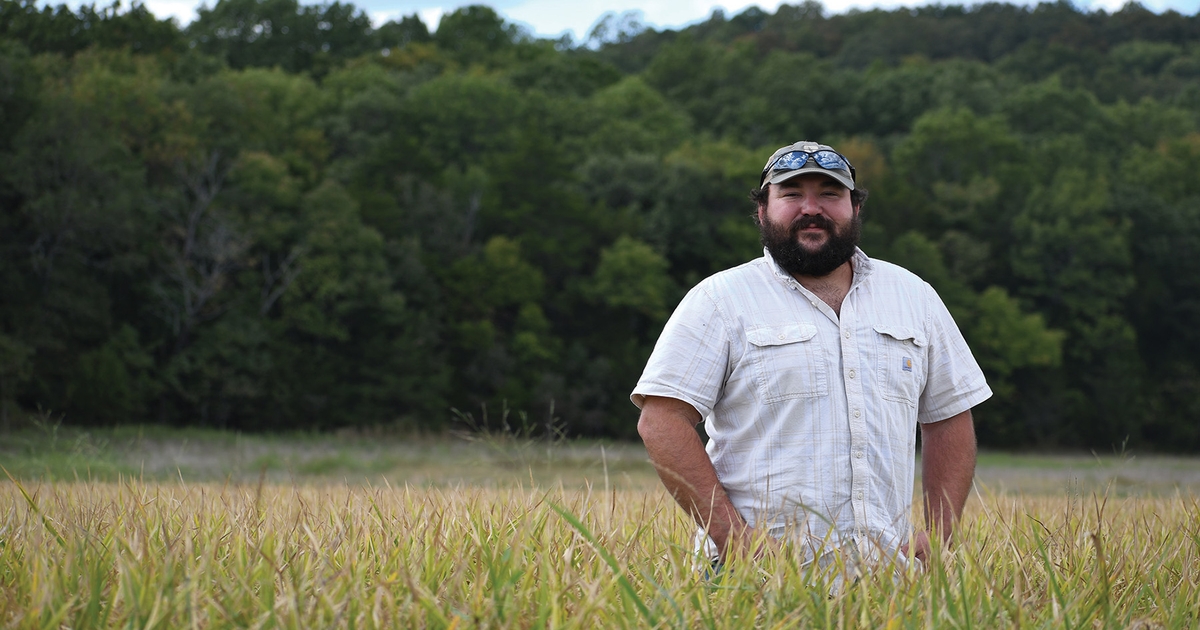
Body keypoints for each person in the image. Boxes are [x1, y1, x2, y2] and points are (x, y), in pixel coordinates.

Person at [631, 140, 991, 575]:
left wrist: (940, 532)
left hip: (887, 582)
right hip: (753, 579)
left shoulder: (914, 297)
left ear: (855, 208)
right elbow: (661, 420)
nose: (811, 208)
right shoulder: (719, 300)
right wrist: (733, 538)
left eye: (829, 193)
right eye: (791, 193)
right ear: (762, 210)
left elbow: (949, 417)